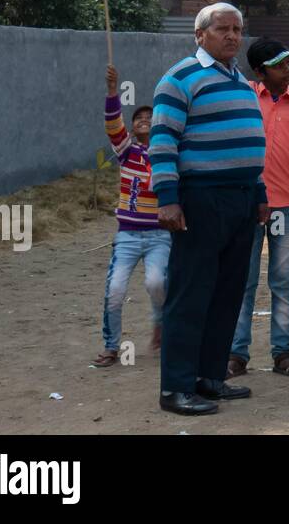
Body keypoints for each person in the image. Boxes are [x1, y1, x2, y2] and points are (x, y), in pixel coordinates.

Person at [150, 0, 269, 416]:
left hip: (240, 200)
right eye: (223, 29)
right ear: (199, 35)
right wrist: (167, 200)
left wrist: (258, 195)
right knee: (190, 293)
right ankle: (176, 388)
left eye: (237, 29)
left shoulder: (241, 81)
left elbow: (250, 145)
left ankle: (209, 379)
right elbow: (162, 142)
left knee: (227, 293)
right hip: (200, 199)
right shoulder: (180, 78)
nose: (232, 36)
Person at [228, 38, 289, 381]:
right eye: (280, 65)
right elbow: (216, 64)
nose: (288, 71)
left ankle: (282, 353)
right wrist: (215, 5)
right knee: (243, 281)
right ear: (258, 72)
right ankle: (235, 355)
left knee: (283, 283)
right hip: (246, 208)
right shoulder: (242, 97)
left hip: (284, 210)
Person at [94, 65, 170, 368]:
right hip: (127, 234)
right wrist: (113, 92)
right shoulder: (127, 152)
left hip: (159, 235)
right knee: (114, 291)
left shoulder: (168, 155)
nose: (143, 121)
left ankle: (160, 323)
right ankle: (112, 347)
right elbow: (113, 124)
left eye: (150, 118)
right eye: (138, 118)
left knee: (156, 284)